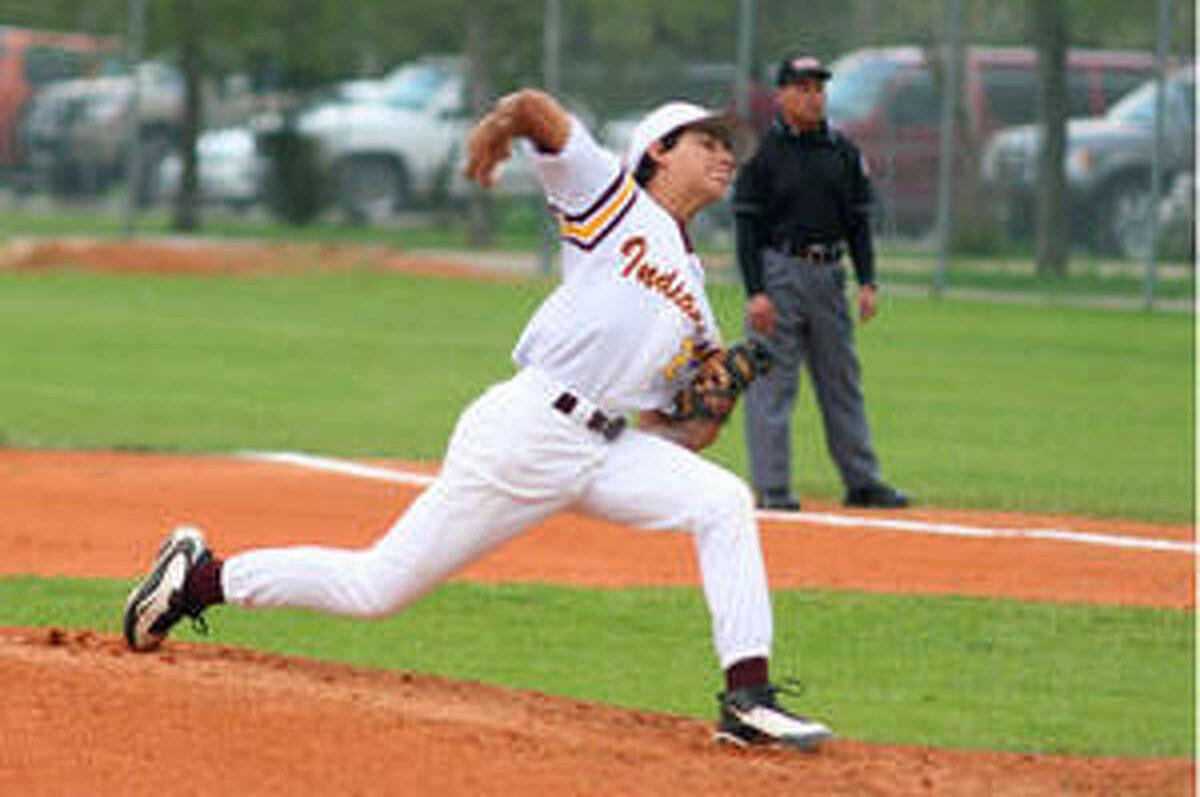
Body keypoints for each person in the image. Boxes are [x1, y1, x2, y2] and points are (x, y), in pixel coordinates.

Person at [122, 88, 833, 750]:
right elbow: (536, 111)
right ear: (656, 152)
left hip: (606, 448)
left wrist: (723, 391)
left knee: (721, 501)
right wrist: (497, 130)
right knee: (377, 589)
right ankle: (200, 579)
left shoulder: (698, 302)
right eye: (704, 140)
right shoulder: (615, 204)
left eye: (727, 143)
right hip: (529, 431)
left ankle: (747, 701)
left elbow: (684, 434)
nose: (723, 153)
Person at [733, 55, 910, 511]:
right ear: (782, 95)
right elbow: (747, 227)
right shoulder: (762, 153)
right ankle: (772, 489)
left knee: (842, 381)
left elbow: (858, 222)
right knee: (772, 384)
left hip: (831, 274)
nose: (814, 97)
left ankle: (862, 481)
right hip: (779, 271)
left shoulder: (843, 151)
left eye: (819, 88)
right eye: (803, 88)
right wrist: (755, 292)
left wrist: (867, 280)